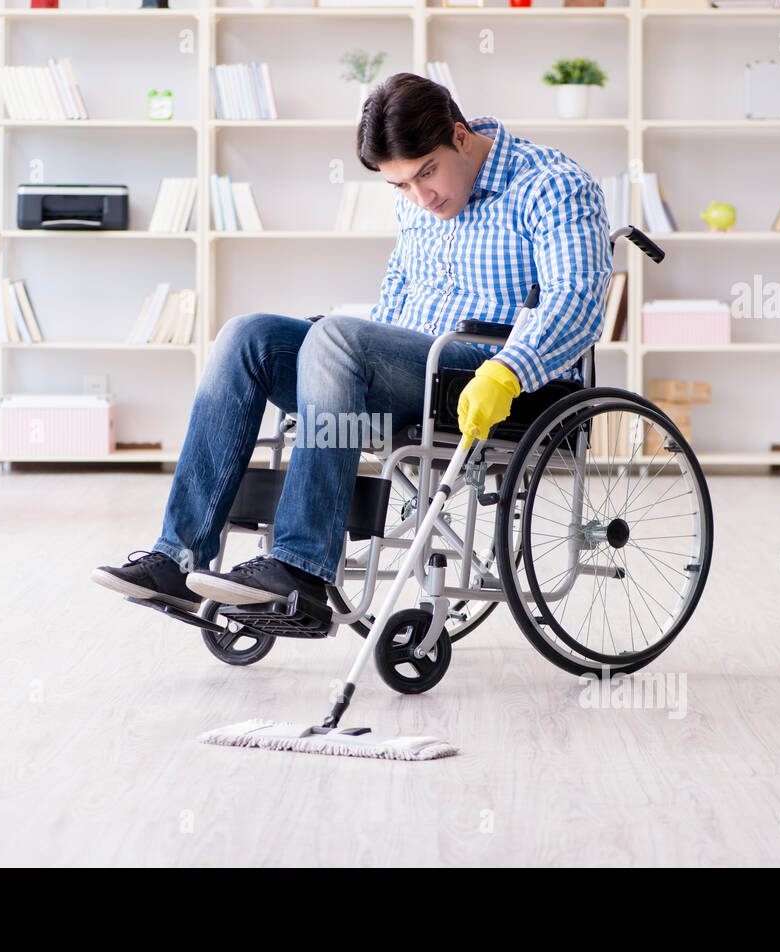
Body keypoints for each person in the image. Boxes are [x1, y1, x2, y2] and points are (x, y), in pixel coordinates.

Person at [92, 72, 612, 619]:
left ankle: (300, 569)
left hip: (487, 374)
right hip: (404, 369)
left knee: (337, 337)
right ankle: (177, 557)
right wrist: (336, 350)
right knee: (246, 337)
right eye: (400, 186)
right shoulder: (417, 201)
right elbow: (395, 301)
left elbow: (577, 299)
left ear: (460, 135)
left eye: (426, 174)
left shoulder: (552, 185)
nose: (420, 196)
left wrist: (509, 370)